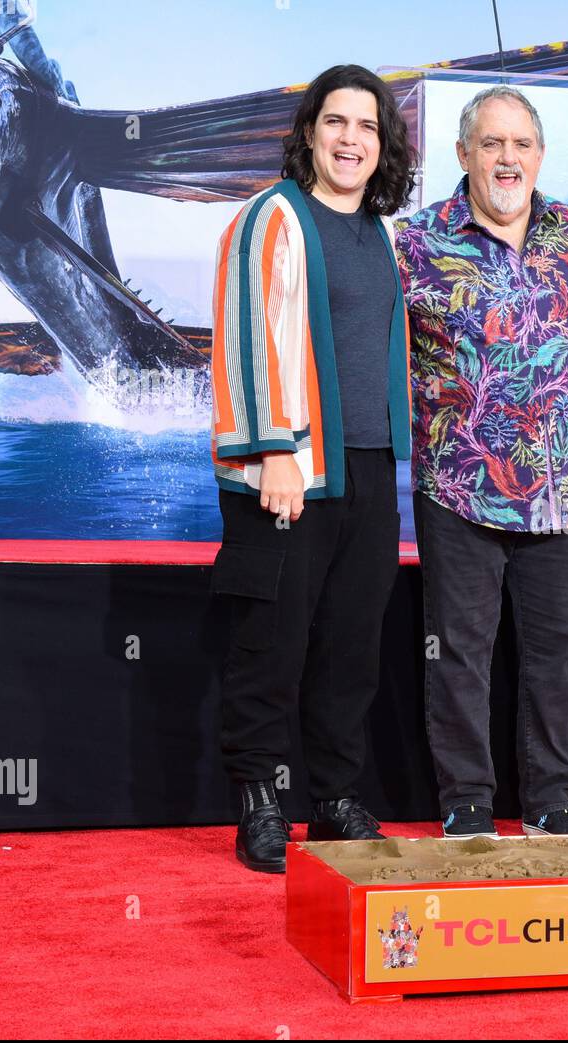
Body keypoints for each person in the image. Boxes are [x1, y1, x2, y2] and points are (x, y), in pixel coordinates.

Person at [209, 65, 414, 872]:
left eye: (366, 127)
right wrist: (271, 452)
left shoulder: (381, 231)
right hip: (290, 470)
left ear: (383, 143)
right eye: (336, 122)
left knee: (349, 646)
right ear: (309, 132)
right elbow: (244, 337)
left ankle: (333, 799)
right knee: (271, 642)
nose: (350, 139)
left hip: (366, 468)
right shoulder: (272, 217)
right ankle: (260, 800)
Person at [394, 86, 568, 839]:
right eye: (491, 143)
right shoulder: (414, 244)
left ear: (539, 156)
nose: (506, 158)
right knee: (459, 653)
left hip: (563, 490)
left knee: (559, 656)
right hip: (458, 485)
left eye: (520, 144)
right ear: (463, 155)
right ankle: (467, 800)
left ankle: (551, 799)